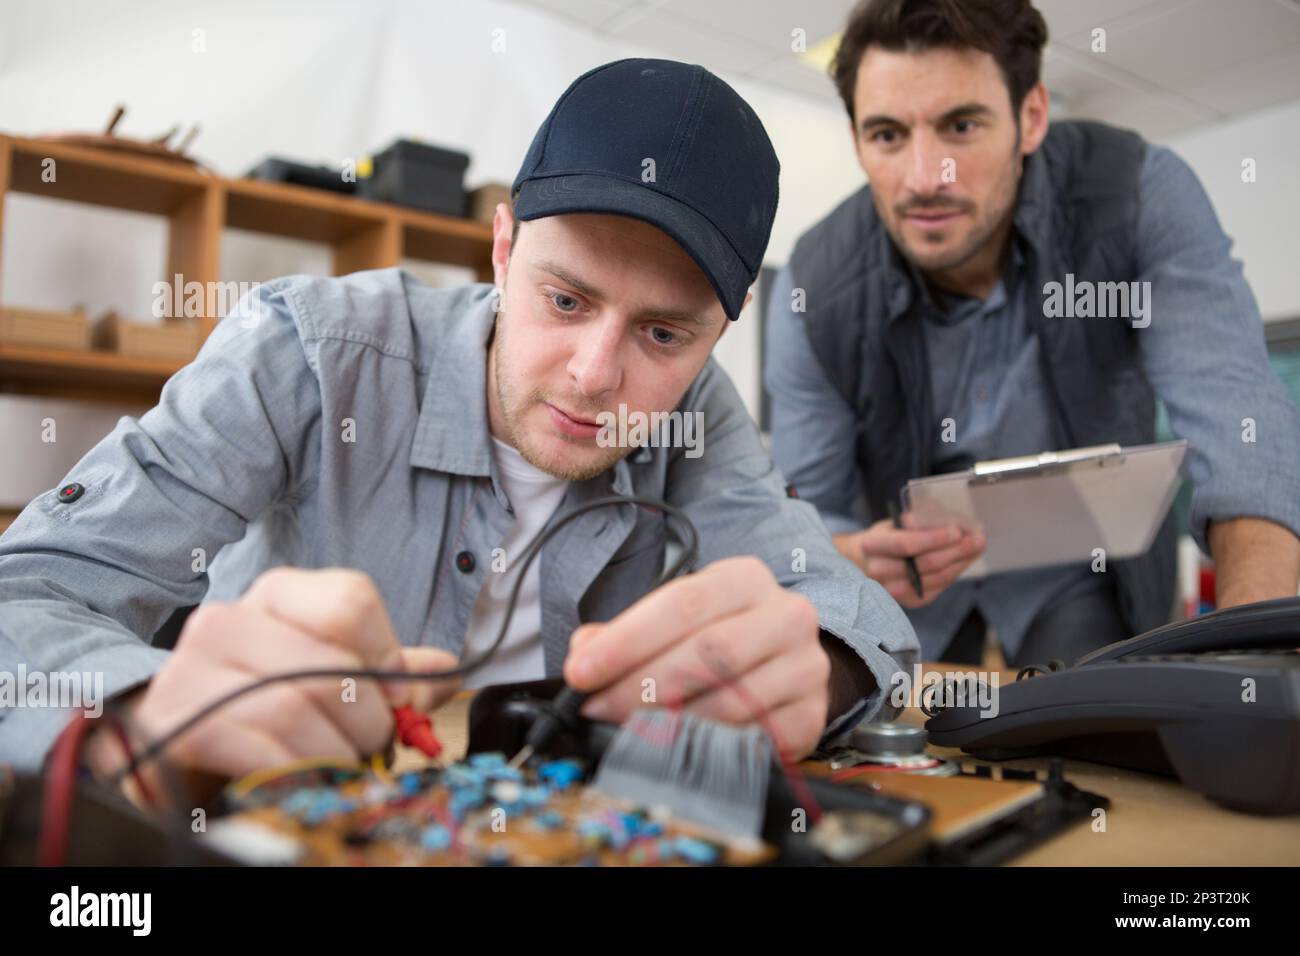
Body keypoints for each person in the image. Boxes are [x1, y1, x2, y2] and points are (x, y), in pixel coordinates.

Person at [0, 58, 917, 806]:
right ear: (504, 245)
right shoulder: (309, 352)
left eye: (663, 333)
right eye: (565, 299)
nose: (596, 375)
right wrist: (140, 713)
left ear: (728, 322)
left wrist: (820, 667)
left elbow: (843, 606)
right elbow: (30, 592)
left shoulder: (700, 412)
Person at [765, 0, 1300, 667]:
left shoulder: (1137, 196)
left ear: (1032, 117)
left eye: (961, 125)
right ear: (856, 140)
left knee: (1093, 732)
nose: (927, 178)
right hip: (910, 595)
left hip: (1085, 577)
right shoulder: (813, 289)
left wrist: (1255, 669)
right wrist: (850, 552)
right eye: (888, 135)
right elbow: (802, 515)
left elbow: (1241, 427)